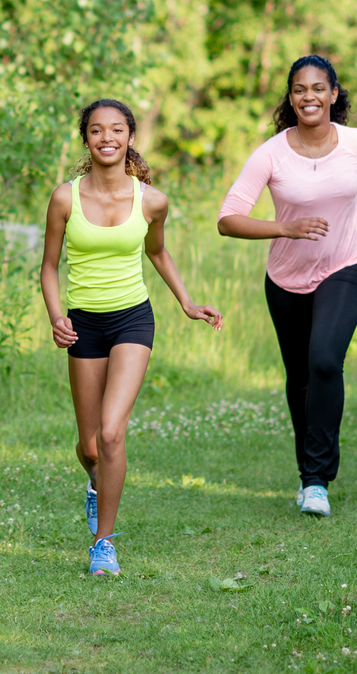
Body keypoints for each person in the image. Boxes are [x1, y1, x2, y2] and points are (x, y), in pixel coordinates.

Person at [217, 55, 357, 518]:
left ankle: (317, 481)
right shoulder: (270, 153)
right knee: (300, 377)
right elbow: (228, 220)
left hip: (347, 263)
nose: (309, 96)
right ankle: (308, 473)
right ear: (291, 98)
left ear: (333, 94)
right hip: (285, 278)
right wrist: (283, 229)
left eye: (318, 88)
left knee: (324, 359)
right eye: (300, 89)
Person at [40, 98, 223, 575]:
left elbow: (158, 254)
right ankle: (98, 482)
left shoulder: (152, 200)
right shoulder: (65, 198)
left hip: (132, 321)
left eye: (116, 130)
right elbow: (48, 267)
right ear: (86, 139)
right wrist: (57, 317)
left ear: (130, 137)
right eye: (97, 130)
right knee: (89, 447)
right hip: (83, 324)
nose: (107, 138)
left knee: (112, 432)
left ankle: (104, 544)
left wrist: (187, 302)